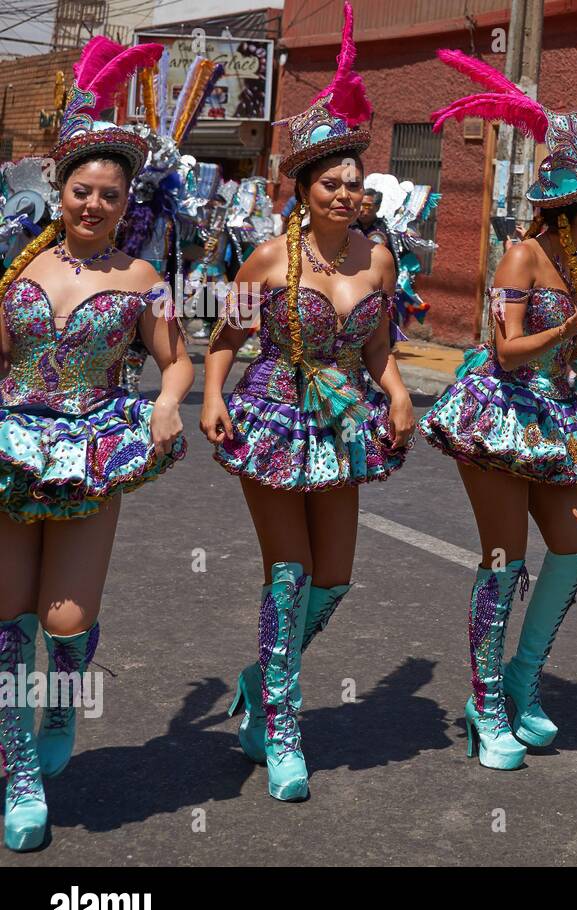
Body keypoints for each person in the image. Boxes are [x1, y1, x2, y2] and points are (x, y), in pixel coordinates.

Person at [201, 5, 414, 801]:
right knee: (289, 572)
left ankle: (262, 676)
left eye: (356, 186)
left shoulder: (379, 260)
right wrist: (211, 396)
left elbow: (378, 348)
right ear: (303, 188)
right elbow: (223, 340)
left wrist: (395, 395)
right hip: (273, 416)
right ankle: (281, 727)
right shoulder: (268, 257)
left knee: (337, 578)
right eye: (332, 184)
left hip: (345, 422)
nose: (346, 196)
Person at [420, 51, 577, 769]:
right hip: (498, 412)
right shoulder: (521, 257)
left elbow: (569, 347)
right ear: (574, 213)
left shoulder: (576, 264)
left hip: (550, 416)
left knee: (576, 549)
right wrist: (572, 331)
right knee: (503, 558)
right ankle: (485, 701)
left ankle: (521, 678)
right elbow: (509, 348)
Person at [0, 36, 191, 852]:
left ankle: (61, 698)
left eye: (110, 196)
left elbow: (174, 361)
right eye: (83, 190)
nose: (94, 206)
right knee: (8, 620)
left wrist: (169, 406)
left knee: (66, 616)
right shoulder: (14, 272)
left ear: (125, 203)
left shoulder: (143, 280)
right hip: (12, 449)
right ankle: (17, 775)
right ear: (60, 191)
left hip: (92, 448)